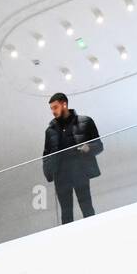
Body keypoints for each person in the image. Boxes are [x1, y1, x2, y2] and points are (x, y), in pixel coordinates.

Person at [42, 92, 103, 225]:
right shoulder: (50, 131)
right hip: (61, 176)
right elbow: (46, 155)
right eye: (51, 108)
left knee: (87, 207)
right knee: (66, 214)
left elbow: (99, 145)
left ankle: (94, 232)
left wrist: (89, 148)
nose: (53, 111)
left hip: (80, 171)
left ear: (64, 104)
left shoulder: (85, 121)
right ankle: (68, 242)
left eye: (55, 107)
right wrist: (49, 174)